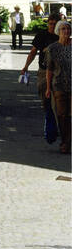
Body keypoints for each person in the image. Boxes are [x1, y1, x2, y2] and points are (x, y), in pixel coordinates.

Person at [21, 13, 61, 143]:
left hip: (59, 72)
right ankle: (50, 118)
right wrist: (26, 66)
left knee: (58, 100)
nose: (52, 26)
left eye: (55, 24)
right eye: (51, 23)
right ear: (47, 23)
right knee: (45, 98)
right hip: (43, 71)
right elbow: (33, 51)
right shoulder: (42, 35)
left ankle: (56, 125)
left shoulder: (62, 35)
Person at [44, 22, 71, 155]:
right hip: (58, 86)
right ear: (58, 32)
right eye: (63, 29)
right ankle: (65, 142)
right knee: (62, 115)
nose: (66, 31)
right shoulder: (52, 48)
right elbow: (49, 69)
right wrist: (48, 88)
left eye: (68, 29)